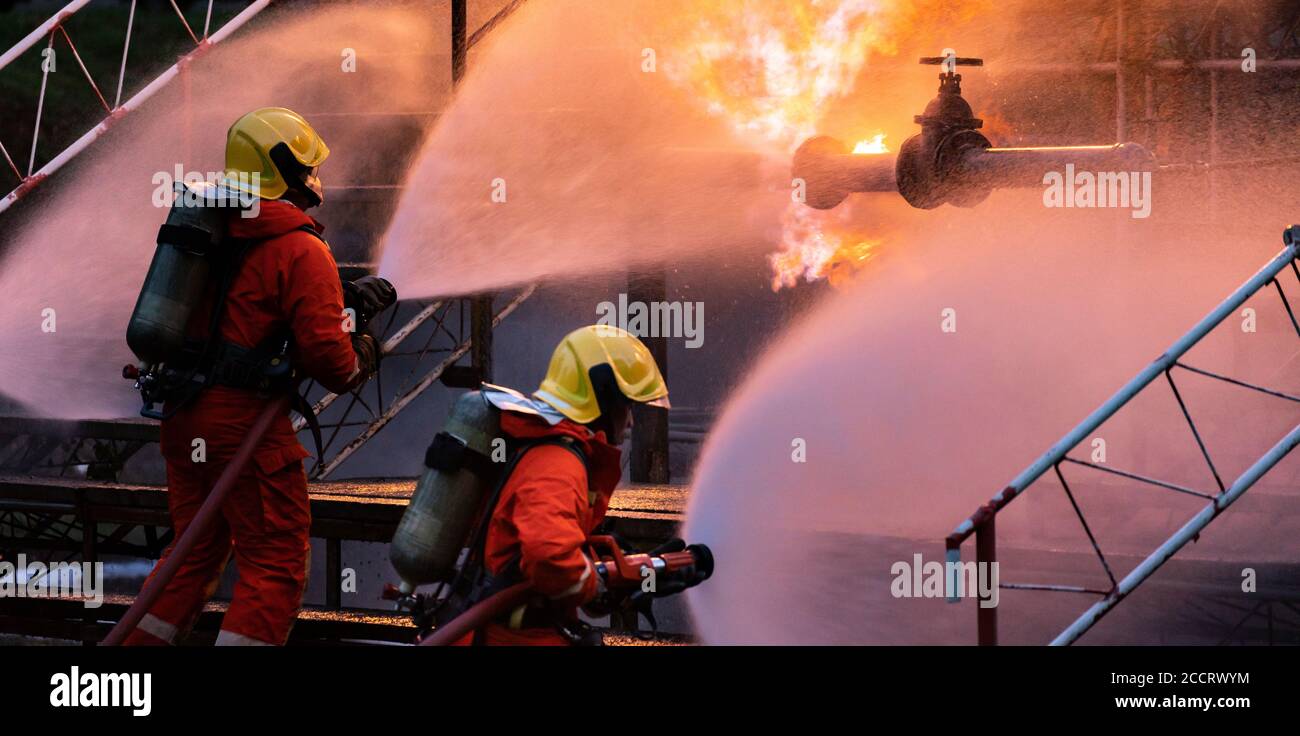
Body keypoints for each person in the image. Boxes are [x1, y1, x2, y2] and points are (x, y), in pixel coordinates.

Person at [125, 107, 395, 646]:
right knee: (273, 566)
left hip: (184, 416)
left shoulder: (206, 229)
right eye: (308, 167)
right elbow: (333, 365)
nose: (315, 179)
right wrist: (362, 340)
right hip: (244, 430)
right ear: (285, 171)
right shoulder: (300, 247)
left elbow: (235, 315)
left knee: (191, 555)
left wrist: (338, 309)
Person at [456, 325, 670, 645]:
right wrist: (596, 581)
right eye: (627, 407)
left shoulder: (549, 450)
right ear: (603, 398)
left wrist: (626, 570)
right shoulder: (557, 463)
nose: (630, 421)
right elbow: (548, 557)